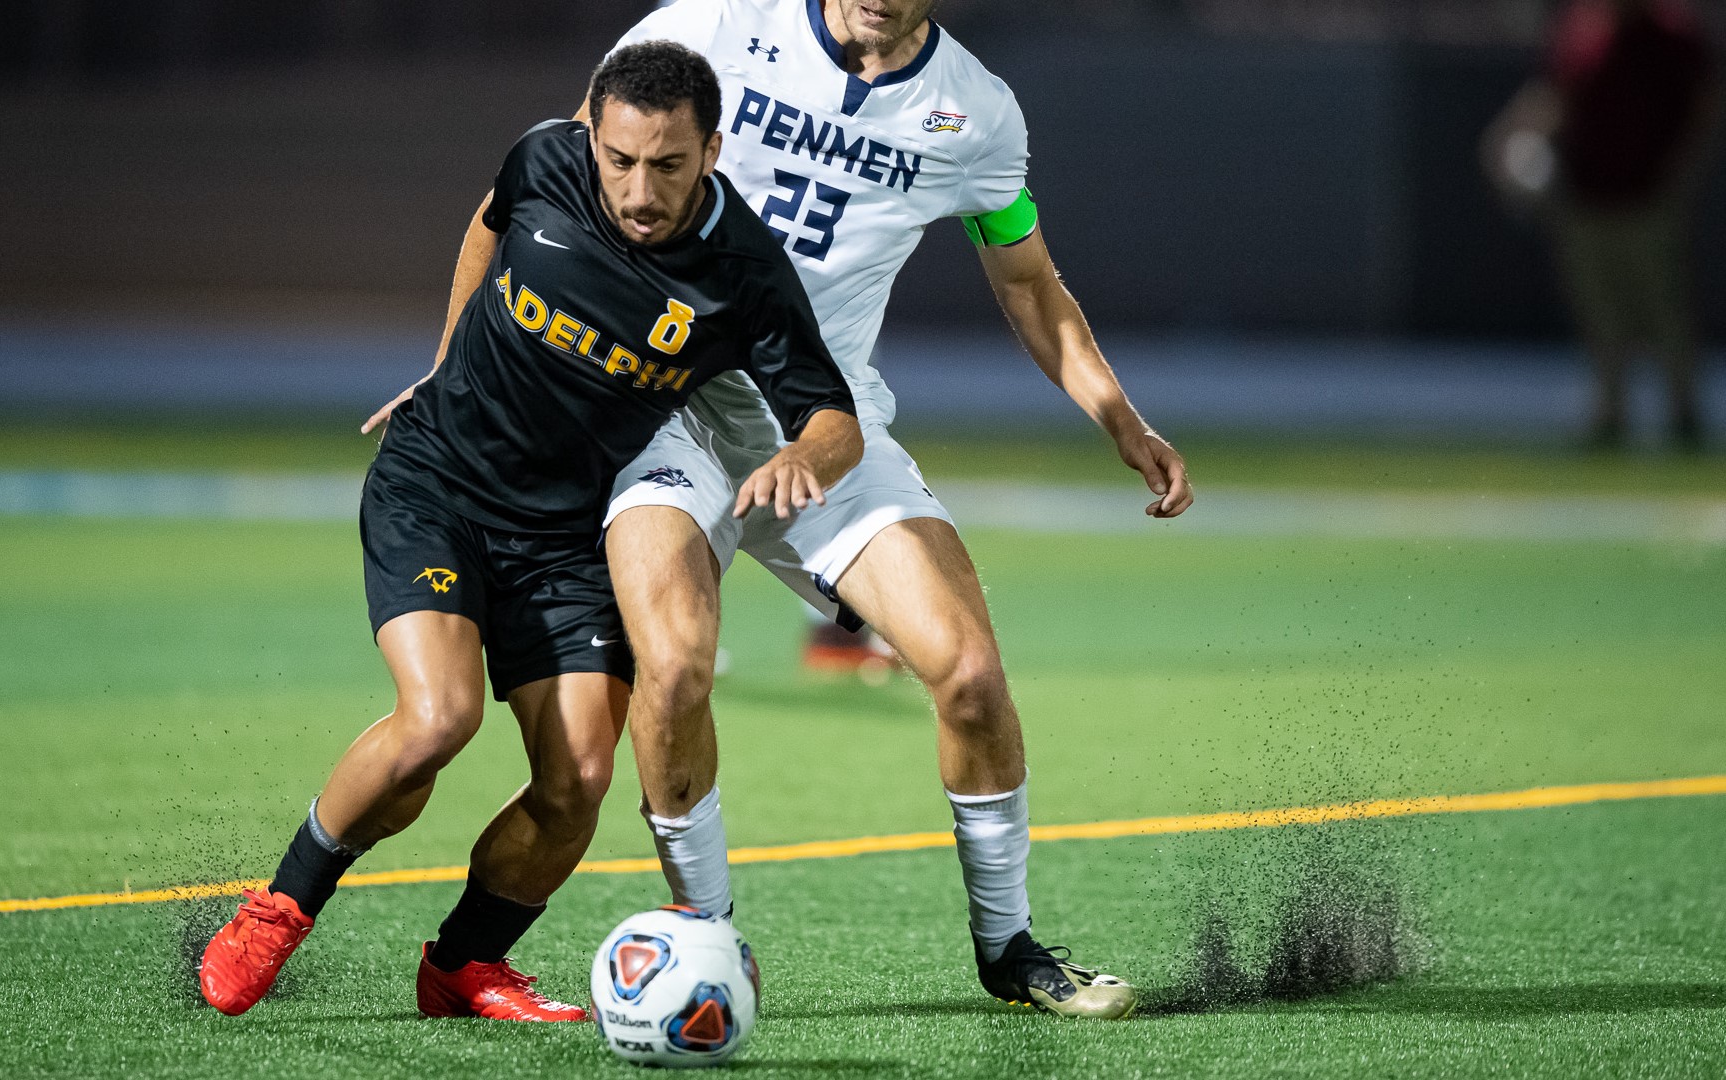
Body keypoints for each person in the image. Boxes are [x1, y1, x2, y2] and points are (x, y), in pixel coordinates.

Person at [370, 0, 1191, 1020]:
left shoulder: (974, 115)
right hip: (659, 414)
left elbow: (1027, 281)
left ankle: (1008, 947)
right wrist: (457, 365)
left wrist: (1118, 418)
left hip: (824, 427)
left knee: (971, 677)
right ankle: (707, 935)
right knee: (671, 667)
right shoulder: (705, 30)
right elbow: (549, 192)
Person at [200, 40, 862, 1021]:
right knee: (436, 723)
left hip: (563, 543)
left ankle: (462, 967)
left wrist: (806, 458)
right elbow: (488, 219)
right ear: (590, 136)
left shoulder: (743, 275)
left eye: (668, 166)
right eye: (620, 160)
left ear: (711, 152)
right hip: (438, 488)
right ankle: (281, 904)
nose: (639, 190)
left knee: (580, 778)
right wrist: (441, 355)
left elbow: (834, 416)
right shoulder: (544, 158)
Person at [1485, 0, 1718, 449]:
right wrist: (1514, 136)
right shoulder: (1583, 28)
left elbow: (1705, 105)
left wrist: (1680, 176)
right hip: (1586, 197)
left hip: (1648, 197)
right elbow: (1555, 96)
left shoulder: (1675, 33)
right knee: (1600, 313)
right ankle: (1610, 415)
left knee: (1664, 310)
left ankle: (1683, 414)